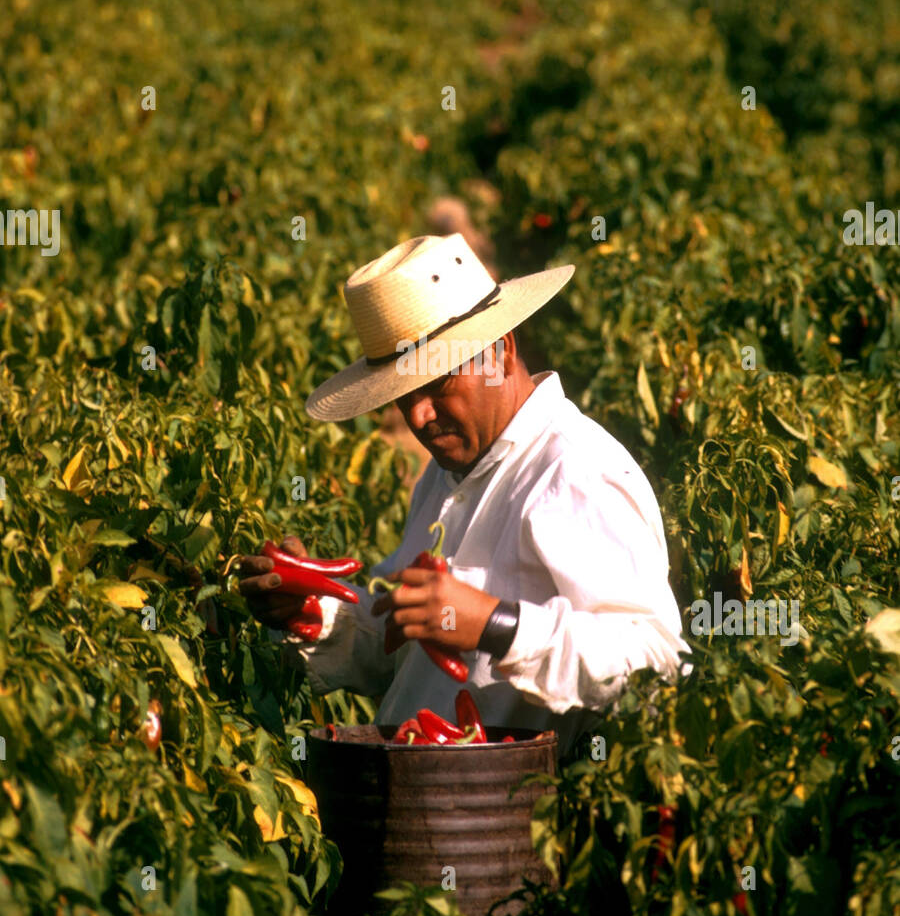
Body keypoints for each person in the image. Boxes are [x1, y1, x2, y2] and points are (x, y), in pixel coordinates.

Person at [239, 232, 689, 754]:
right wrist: (312, 613)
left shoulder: (573, 471)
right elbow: (403, 656)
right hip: (421, 795)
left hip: (509, 815)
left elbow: (656, 663)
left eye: (437, 385)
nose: (419, 418)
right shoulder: (448, 472)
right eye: (404, 398)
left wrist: (496, 625)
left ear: (500, 354)